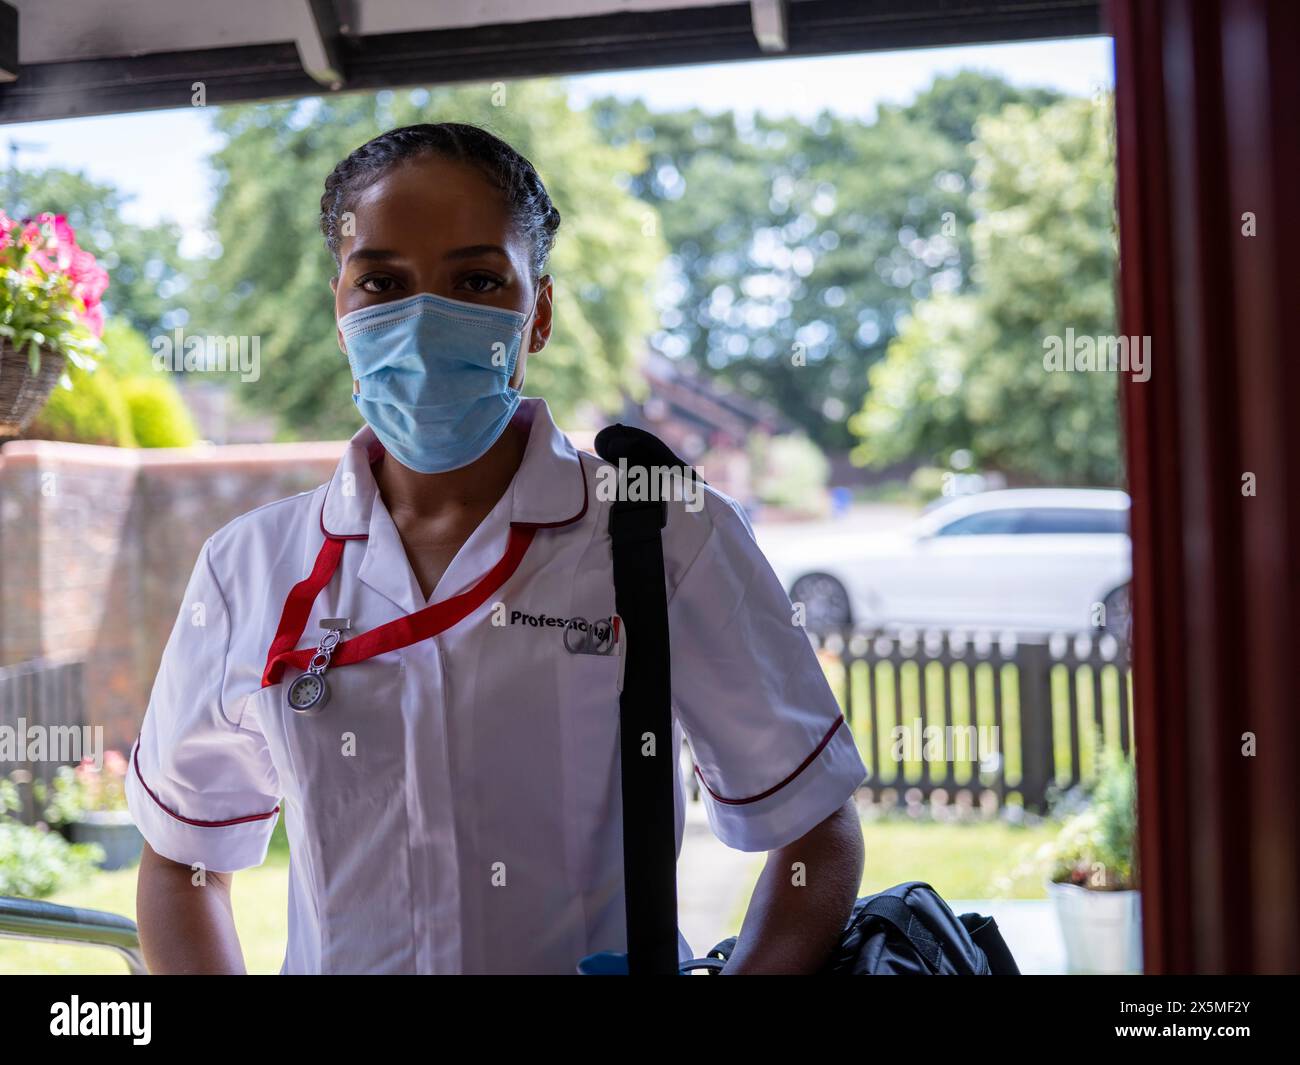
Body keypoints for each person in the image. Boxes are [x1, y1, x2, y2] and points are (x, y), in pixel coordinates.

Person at [126, 122, 867, 974]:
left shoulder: (664, 529)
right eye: (382, 281)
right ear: (341, 308)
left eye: (477, 279)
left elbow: (814, 826)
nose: (423, 322)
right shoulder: (247, 568)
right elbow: (184, 857)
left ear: (537, 312)